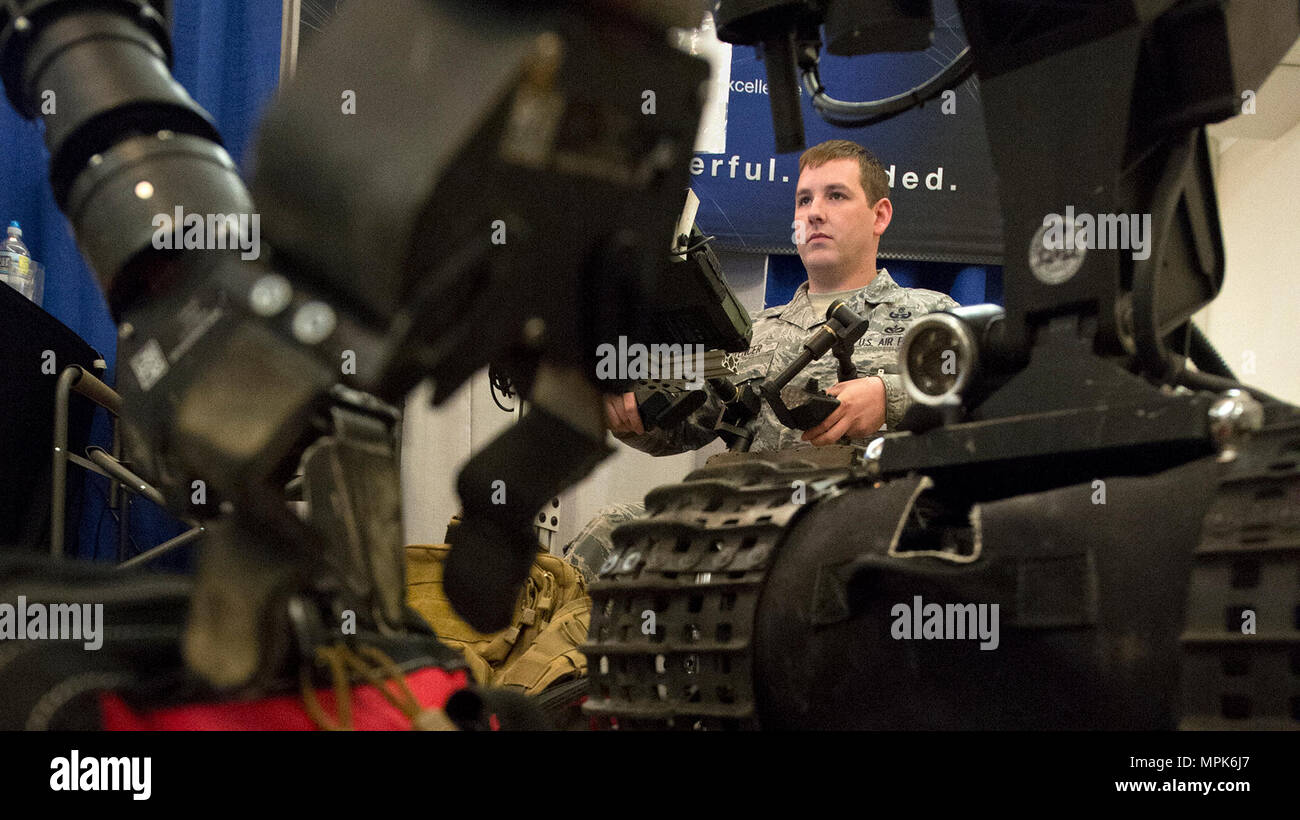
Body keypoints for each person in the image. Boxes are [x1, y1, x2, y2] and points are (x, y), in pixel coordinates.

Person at [566, 139, 959, 580]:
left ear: (879, 215)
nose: (814, 212)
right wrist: (629, 414)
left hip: (861, 526)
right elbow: (681, 427)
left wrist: (888, 396)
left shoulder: (932, 316)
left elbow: (989, 398)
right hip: (743, 528)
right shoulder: (746, 333)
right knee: (611, 534)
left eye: (836, 196)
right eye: (804, 200)